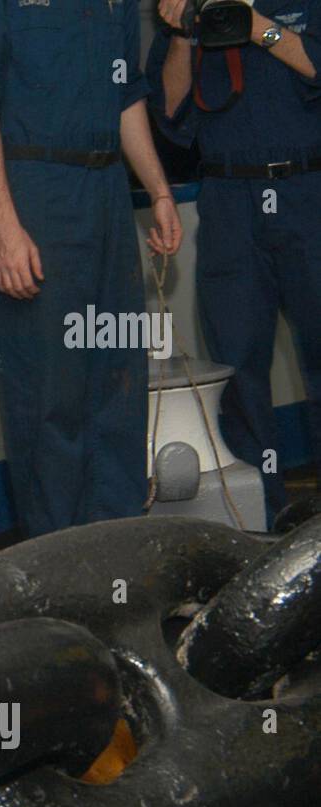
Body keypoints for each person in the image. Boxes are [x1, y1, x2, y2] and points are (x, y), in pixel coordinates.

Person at [0, 0, 183, 537]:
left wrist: (159, 190)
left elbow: (127, 101)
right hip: (36, 194)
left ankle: (117, 555)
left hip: (107, 195)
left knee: (118, 386)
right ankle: (57, 561)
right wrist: (5, 228)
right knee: (49, 394)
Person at [148, 0, 321, 518]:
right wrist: (182, 34)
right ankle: (261, 518)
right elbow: (170, 110)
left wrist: (256, 27)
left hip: (308, 190)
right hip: (228, 202)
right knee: (239, 365)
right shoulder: (199, 7)